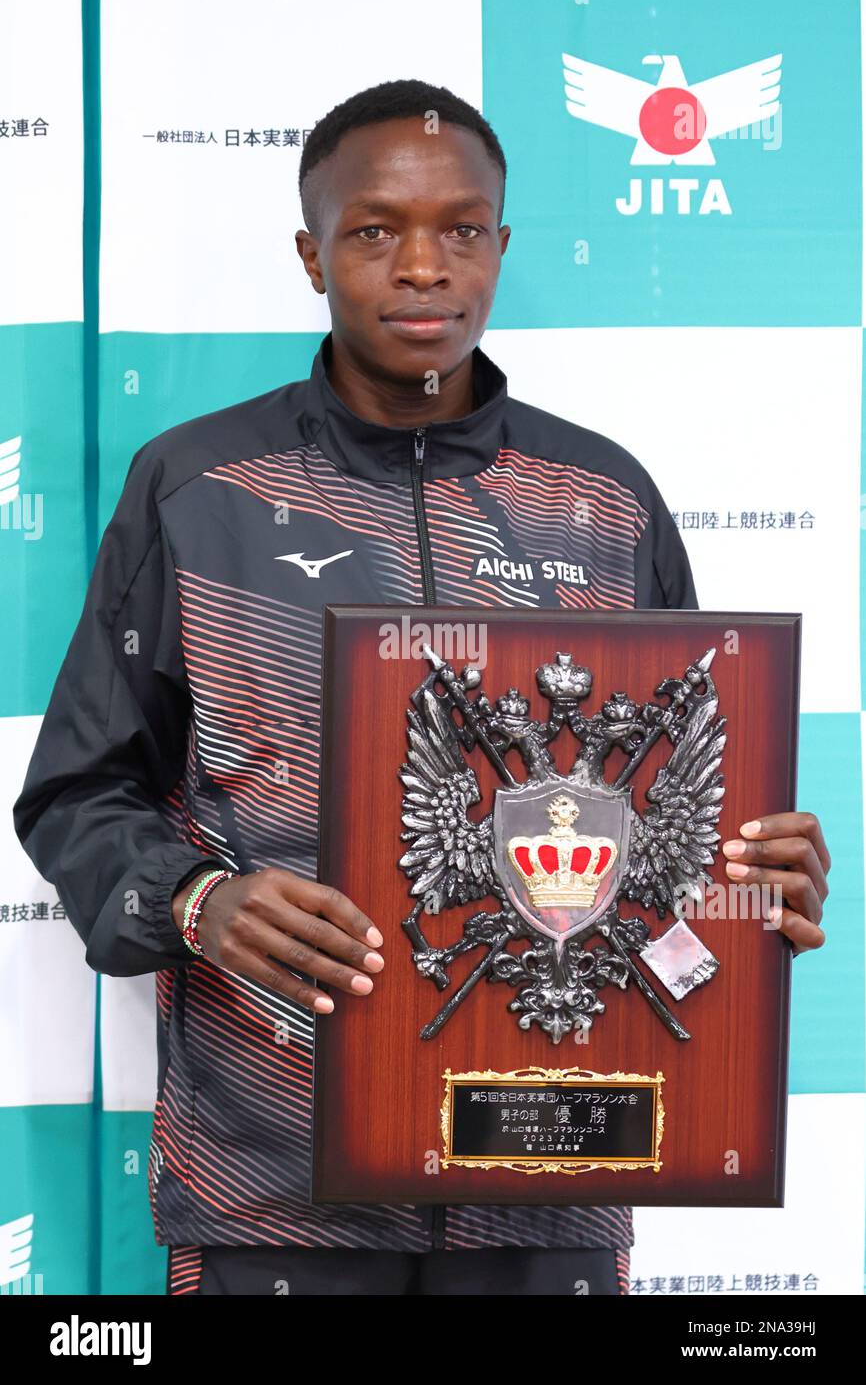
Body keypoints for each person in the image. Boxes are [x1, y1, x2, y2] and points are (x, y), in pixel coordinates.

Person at [12, 79, 830, 1298]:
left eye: (460, 230)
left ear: (501, 247)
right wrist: (196, 903)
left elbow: (669, 827)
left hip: (553, 1180)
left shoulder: (604, 501)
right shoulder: (196, 488)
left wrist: (755, 891)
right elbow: (78, 792)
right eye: (375, 230)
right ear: (312, 253)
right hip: (271, 1186)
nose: (421, 268)